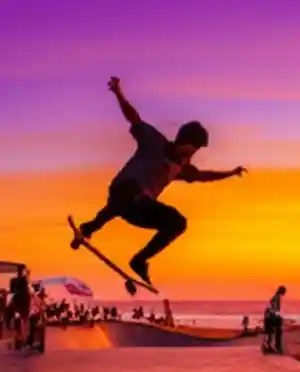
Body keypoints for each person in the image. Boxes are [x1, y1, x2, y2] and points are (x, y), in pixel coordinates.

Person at [71, 77, 248, 286]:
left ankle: (139, 260)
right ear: (185, 142)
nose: (191, 157)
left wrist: (231, 173)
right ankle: (89, 228)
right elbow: (134, 118)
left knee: (178, 222)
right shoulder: (154, 141)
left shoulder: (181, 168)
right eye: (193, 150)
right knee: (132, 191)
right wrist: (119, 93)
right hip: (121, 194)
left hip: (140, 212)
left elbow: (203, 176)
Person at [7, 266, 30, 351]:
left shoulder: (24, 280)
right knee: (16, 318)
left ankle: (23, 338)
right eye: (19, 270)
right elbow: (12, 291)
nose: (20, 272)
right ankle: (18, 336)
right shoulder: (14, 280)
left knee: (24, 321)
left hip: (24, 303)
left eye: (21, 270)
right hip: (18, 302)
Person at [263, 286, 286, 354]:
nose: (285, 292)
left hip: (269, 316)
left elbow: (274, 307)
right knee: (276, 331)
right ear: (282, 291)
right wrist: (278, 316)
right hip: (271, 317)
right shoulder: (277, 297)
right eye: (284, 291)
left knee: (271, 332)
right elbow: (274, 307)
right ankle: (276, 346)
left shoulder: (277, 296)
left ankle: (269, 346)